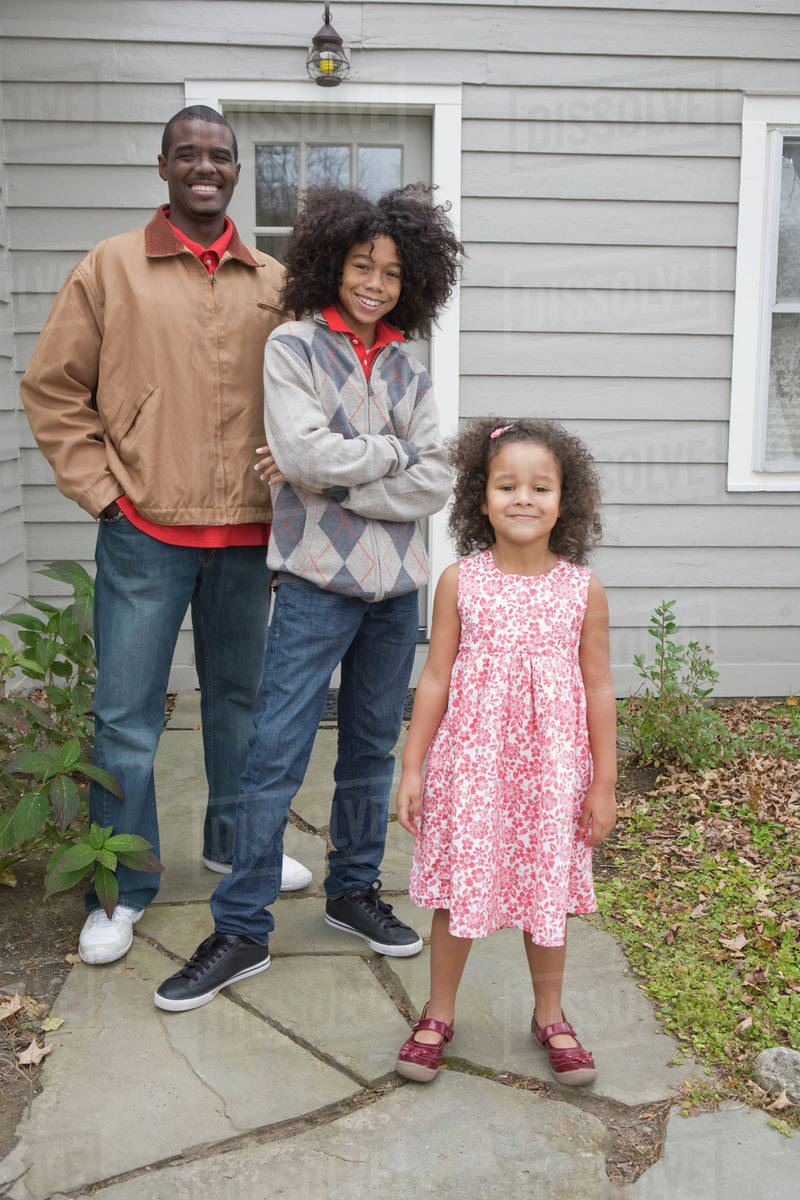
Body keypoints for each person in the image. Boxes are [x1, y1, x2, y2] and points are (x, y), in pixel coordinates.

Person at [154, 183, 463, 1012]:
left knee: (369, 751)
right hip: (315, 587)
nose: (375, 283)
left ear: (413, 282)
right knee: (273, 756)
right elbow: (301, 448)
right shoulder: (294, 346)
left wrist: (337, 477)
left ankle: (353, 891)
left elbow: (437, 477)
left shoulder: (409, 367)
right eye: (362, 264)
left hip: (397, 593)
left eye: (393, 272)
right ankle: (241, 927)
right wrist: (367, 460)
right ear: (332, 263)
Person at [20, 105, 310, 968]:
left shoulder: (274, 280)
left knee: (241, 708)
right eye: (188, 154)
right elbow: (53, 389)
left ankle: (231, 847)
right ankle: (123, 888)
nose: (205, 168)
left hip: (247, 535)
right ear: (163, 167)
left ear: (235, 172)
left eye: (219, 156)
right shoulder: (111, 268)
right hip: (143, 528)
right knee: (126, 719)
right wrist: (103, 495)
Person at [392, 418, 617, 1085]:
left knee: (546, 884)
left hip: (551, 776)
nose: (523, 498)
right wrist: (413, 767)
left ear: (564, 501)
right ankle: (437, 1011)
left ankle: (549, 1013)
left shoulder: (583, 590)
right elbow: (434, 677)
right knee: (461, 881)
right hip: (473, 768)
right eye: (507, 484)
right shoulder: (462, 581)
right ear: (479, 497)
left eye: (540, 487)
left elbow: (599, 687)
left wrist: (603, 782)